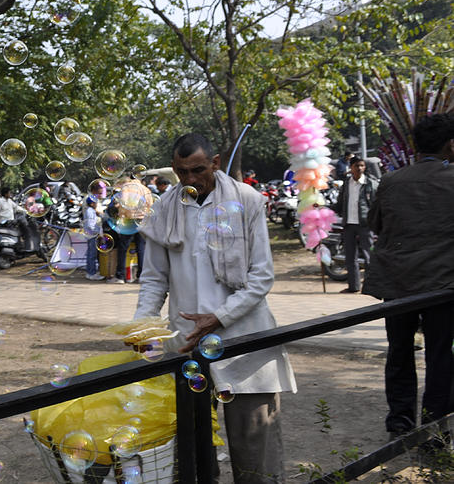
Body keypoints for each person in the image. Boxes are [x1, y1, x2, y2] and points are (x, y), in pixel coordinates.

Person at [134, 132, 296, 483]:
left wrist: (219, 317)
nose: (190, 180)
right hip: (186, 344)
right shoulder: (164, 207)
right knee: (191, 452)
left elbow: (261, 277)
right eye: (182, 172)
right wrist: (143, 325)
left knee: (255, 450)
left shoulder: (247, 199)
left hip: (244, 340)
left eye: (198, 170)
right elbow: (154, 279)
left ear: (216, 163)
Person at [363, 113, 454, 440]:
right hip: (442, 286)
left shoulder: (391, 181)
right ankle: (435, 431)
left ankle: (400, 427)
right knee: (440, 355)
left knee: (399, 352)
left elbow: (376, 224)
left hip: (398, 285)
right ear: (451, 145)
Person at [331, 156, 377, 294]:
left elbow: (375, 205)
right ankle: (354, 286)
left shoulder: (370, 184)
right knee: (350, 257)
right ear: (350, 168)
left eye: (362, 165)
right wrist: (322, 207)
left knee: (369, 256)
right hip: (349, 224)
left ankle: (370, 286)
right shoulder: (346, 184)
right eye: (356, 166)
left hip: (365, 225)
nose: (359, 168)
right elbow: (339, 205)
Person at [83, 196, 103, 281]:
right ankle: (92, 273)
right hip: (92, 235)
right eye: (95, 203)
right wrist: (99, 231)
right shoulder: (90, 211)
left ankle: (89, 272)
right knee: (92, 254)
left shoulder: (90, 211)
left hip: (90, 235)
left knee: (91, 254)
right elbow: (91, 225)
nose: (96, 204)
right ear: (92, 204)